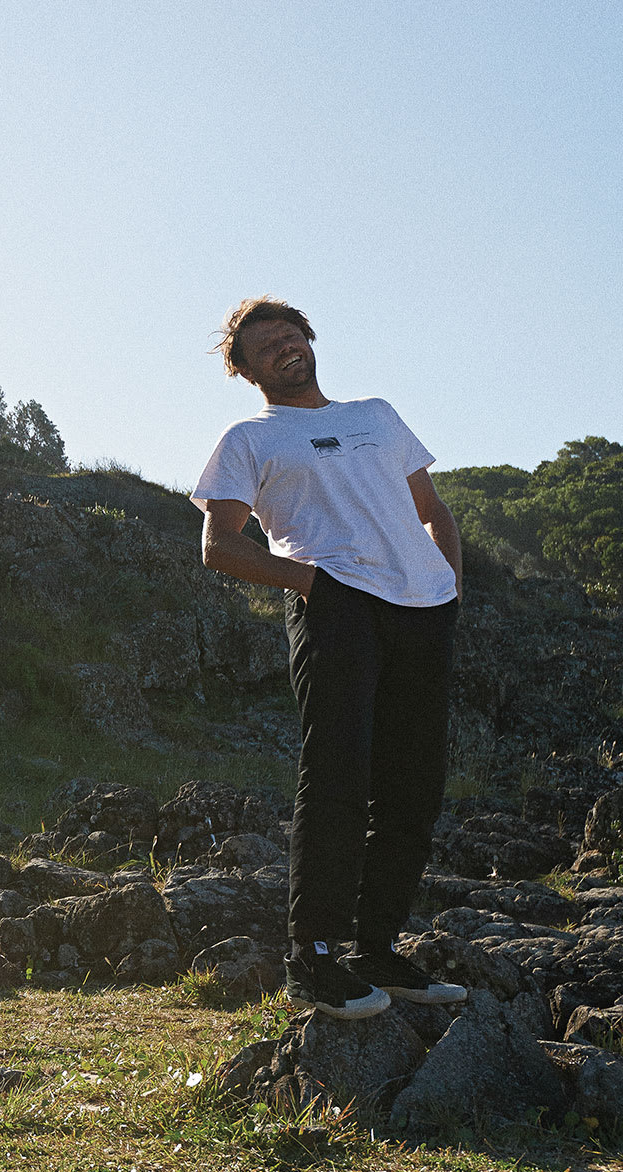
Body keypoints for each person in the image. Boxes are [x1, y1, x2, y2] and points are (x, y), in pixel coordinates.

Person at [192, 297, 468, 1019]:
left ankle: (376, 949)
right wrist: (314, 582)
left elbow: (434, 513)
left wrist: (448, 590)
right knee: (337, 775)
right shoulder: (251, 437)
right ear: (248, 369)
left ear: (309, 341)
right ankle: (310, 957)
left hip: (423, 612)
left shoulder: (376, 414)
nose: (284, 346)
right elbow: (219, 544)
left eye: (291, 334)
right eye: (266, 345)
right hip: (336, 605)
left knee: (413, 790)